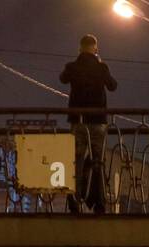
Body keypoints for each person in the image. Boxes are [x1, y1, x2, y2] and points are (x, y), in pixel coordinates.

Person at [60, 34, 118, 214]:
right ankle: (99, 203)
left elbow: (63, 78)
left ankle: (75, 201)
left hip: (78, 121)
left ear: (80, 48)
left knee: (76, 162)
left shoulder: (73, 66)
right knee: (97, 162)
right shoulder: (101, 67)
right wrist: (100, 64)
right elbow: (113, 85)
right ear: (95, 48)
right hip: (98, 122)